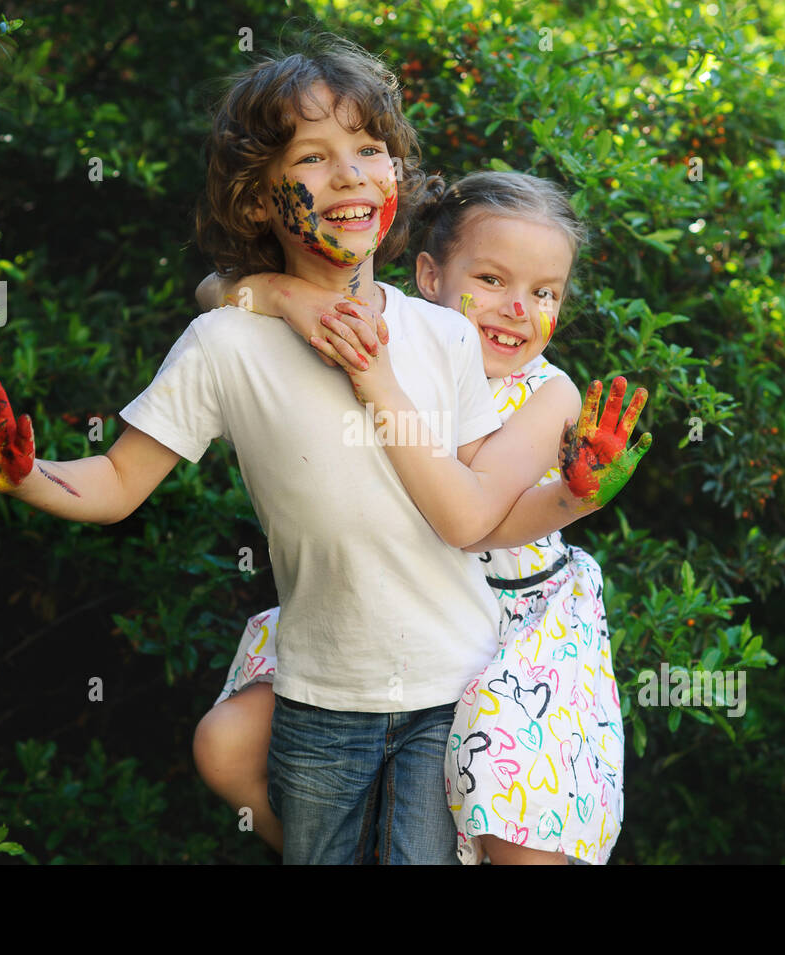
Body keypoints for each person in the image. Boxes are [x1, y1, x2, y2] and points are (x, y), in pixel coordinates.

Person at [0, 36, 638, 864]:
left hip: (452, 686)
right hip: (318, 698)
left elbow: (476, 513)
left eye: (370, 151)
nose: (349, 175)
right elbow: (117, 482)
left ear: (395, 180)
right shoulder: (223, 344)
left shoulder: (441, 334)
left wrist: (575, 493)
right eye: (314, 157)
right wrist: (24, 475)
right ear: (260, 200)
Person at [193, 170, 651, 864]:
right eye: (493, 279)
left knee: (520, 840)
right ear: (431, 275)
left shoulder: (547, 393)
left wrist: (573, 499)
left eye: (544, 292)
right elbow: (214, 291)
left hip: (515, 625)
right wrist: (286, 296)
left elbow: (473, 522)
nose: (518, 309)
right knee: (224, 746)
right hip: (372, 606)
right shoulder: (391, 331)